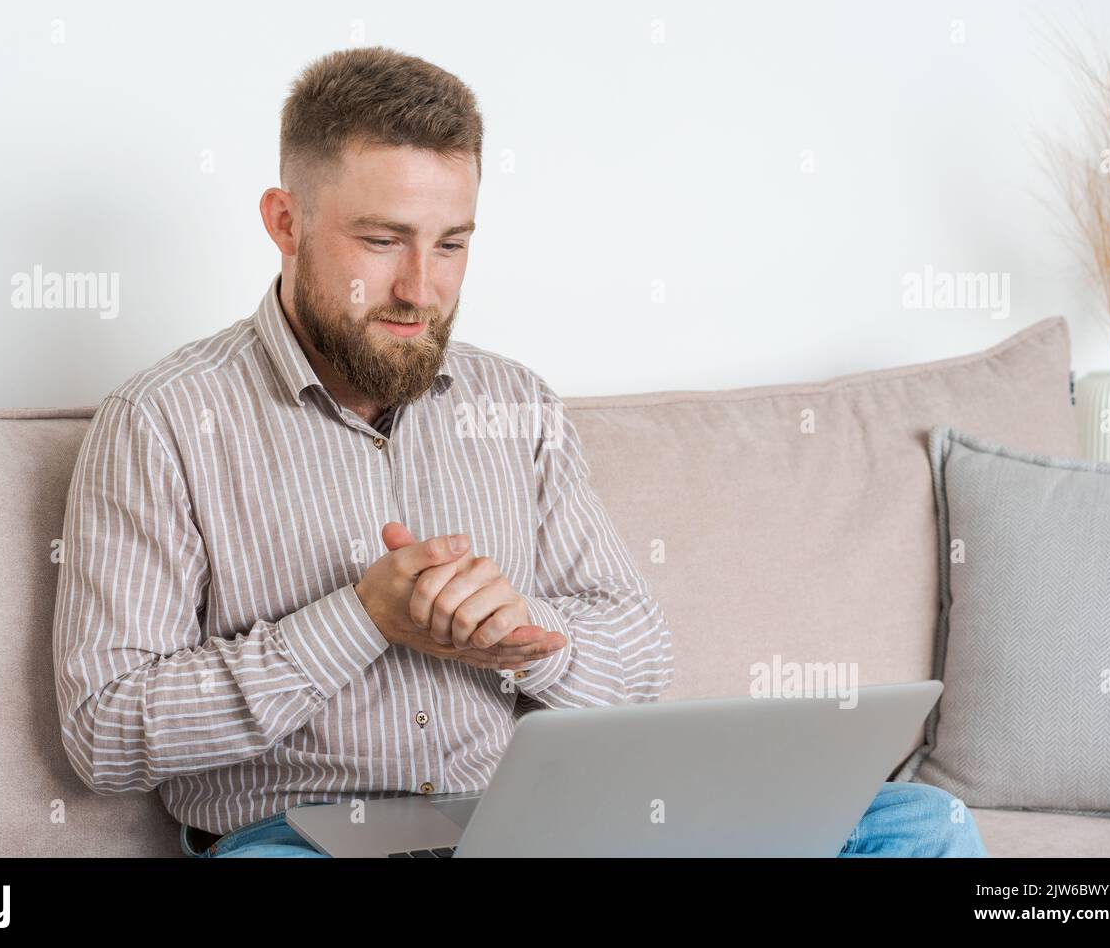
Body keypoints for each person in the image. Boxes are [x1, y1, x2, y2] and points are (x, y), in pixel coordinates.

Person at [52, 45, 985, 860]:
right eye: (381, 241)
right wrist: (361, 618)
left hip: (521, 827)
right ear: (285, 221)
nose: (421, 288)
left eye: (452, 243)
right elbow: (106, 733)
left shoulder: (516, 405)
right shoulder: (162, 421)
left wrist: (524, 639)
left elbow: (639, 651)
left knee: (923, 828)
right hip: (294, 839)